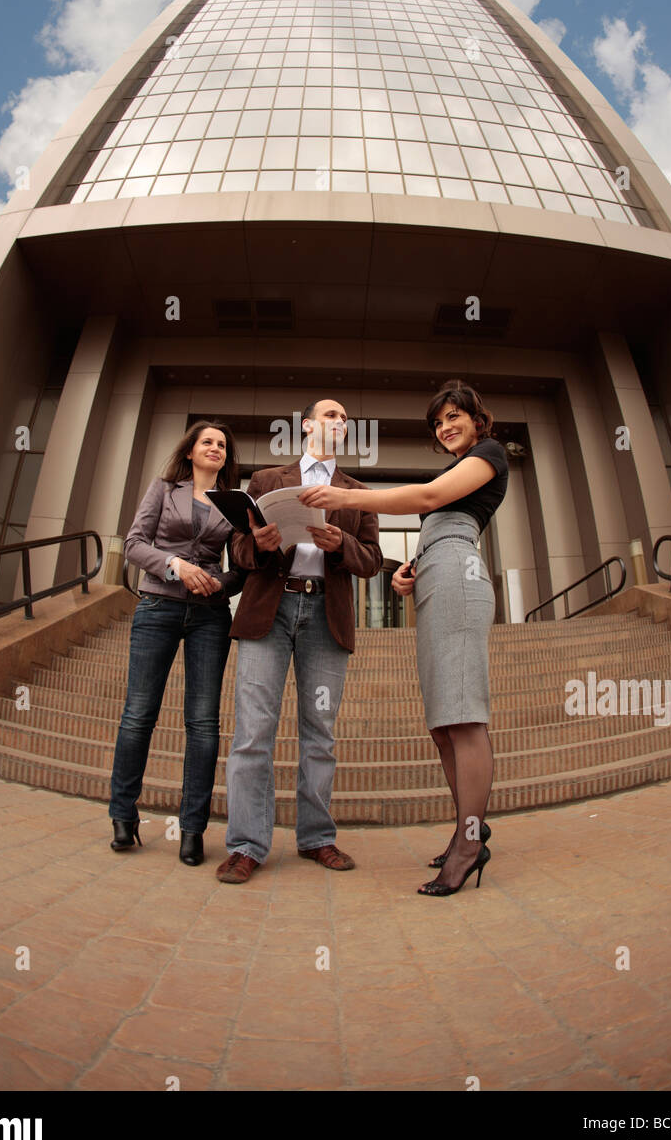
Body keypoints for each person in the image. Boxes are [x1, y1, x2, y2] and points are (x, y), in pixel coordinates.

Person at [300, 379, 508, 897]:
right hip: (437, 581)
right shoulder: (460, 467)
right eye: (439, 422)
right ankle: (468, 827)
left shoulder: (489, 454)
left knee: (463, 715)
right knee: (443, 724)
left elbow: (433, 498)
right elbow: (443, 521)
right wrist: (409, 570)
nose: (447, 426)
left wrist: (347, 495)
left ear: (478, 420)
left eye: (456, 415)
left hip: (459, 581)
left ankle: (468, 844)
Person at [215, 398, 383, 884]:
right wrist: (260, 546)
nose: (340, 422)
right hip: (271, 608)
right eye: (330, 415)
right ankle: (247, 845)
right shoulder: (268, 480)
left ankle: (316, 838)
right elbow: (239, 550)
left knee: (320, 733)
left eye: (346, 418)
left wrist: (342, 546)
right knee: (253, 731)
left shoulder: (356, 492)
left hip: (325, 616)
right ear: (307, 425)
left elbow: (372, 560)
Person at [108, 420, 245, 866]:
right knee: (138, 714)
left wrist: (217, 583)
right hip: (157, 608)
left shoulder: (233, 503)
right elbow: (134, 544)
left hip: (209, 616)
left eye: (222, 445)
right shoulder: (164, 489)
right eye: (208, 441)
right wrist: (175, 566)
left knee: (203, 723)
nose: (216, 448)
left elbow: (241, 567)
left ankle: (192, 831)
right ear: (191, 450)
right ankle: (123, 817)